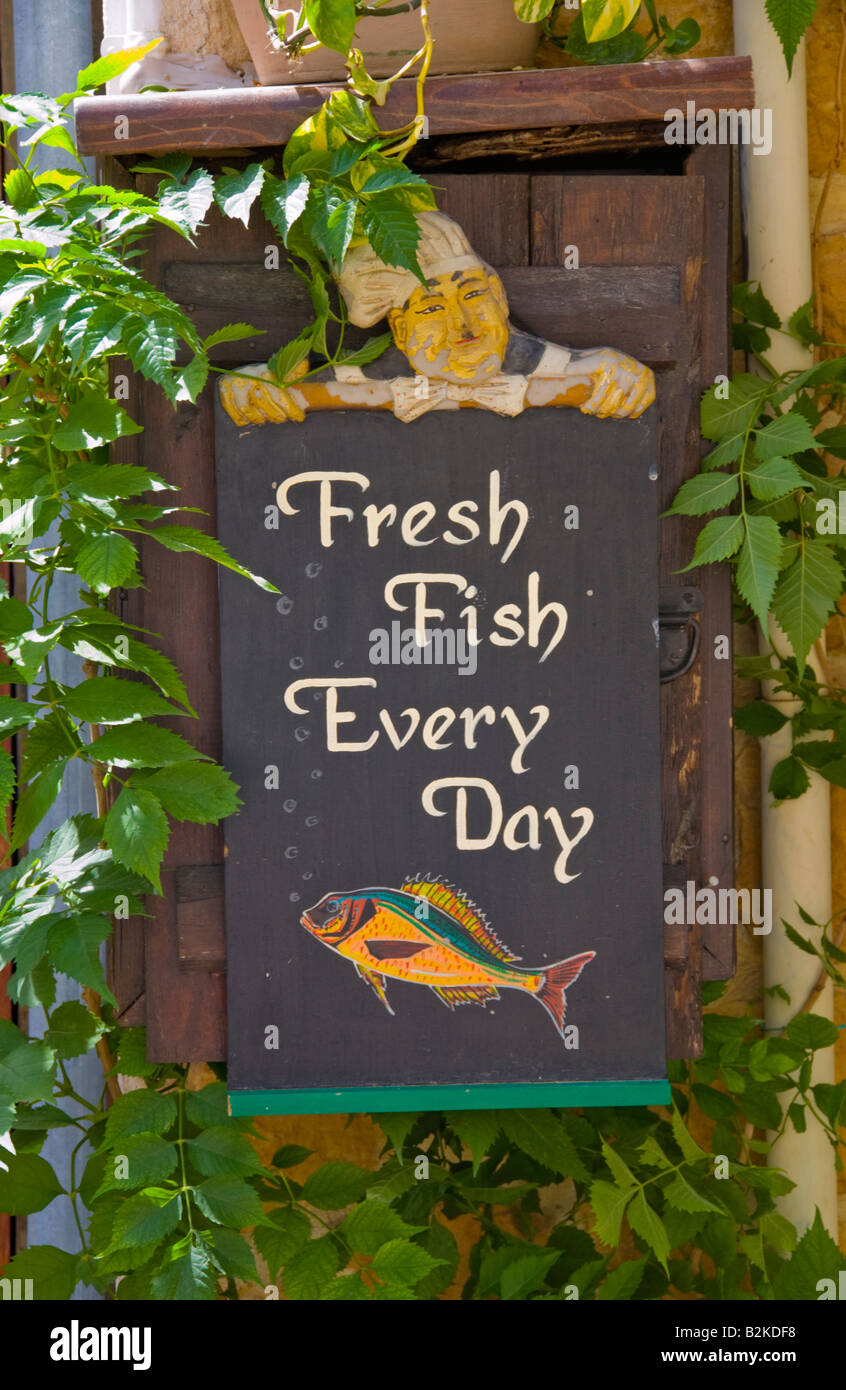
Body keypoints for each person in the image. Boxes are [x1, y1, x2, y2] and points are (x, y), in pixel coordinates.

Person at [219, 210, 655, 427]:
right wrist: (253, 386)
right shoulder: (353, 378)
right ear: (401, 330)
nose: (463, 326)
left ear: (500, 297)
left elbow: (595, 370)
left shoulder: (551, 369)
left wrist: (620, 373)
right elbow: (276, 387)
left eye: (473, 295)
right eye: (431, 308)